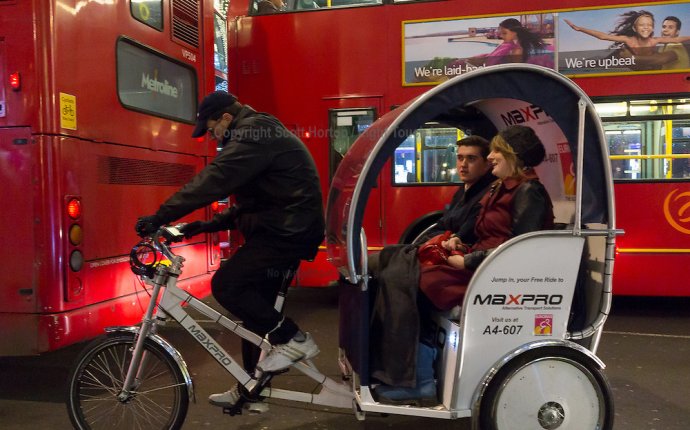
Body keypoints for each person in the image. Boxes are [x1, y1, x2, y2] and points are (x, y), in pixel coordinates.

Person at [134, 91, 325, 411]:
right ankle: (252, 392)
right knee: (253, 315)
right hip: (283, 229)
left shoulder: (253, 133)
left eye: (211, 130)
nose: (212, 137)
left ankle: (294, 340)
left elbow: (214, 180)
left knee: (226, 284)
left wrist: (161, 214)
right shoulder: (254, 133)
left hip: (287, 233)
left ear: (225, 117)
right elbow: (249, 206)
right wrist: (194, 227)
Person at [371, 125, 554, 404]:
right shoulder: (501, 186)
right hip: (482, 266)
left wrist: (467, 259)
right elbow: (485, 232)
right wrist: (458, 240)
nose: (491, 156)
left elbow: (519, 247)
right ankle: (406, 372)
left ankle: (418, 381)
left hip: (494, 274)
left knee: (415, 284)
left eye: (496, 151)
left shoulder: (529, 192)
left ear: (513, 156)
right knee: (404, 274)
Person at [368, 135, 495, 405]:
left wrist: (442, 241)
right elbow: (444, 225)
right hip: (451, 256)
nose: (463, 164)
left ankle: (419, 380)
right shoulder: (465, 191)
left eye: (471, 159)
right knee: (382, 266)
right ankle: (389, 367)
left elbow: (461, 233)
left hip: (465, 265)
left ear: (487, 164)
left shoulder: (487, 194)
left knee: (401, 281)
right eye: (460, 158)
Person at [565, 11, 690, 57]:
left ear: (652, 29)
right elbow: (603, 36)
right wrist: (579, 29)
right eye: (642, 25)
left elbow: (677, 39)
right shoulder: (628, 40)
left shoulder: (655, 40)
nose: (646, 28)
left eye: (649, 25)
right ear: (635, 29)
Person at [466, 18, 551, 67]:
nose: (501, 36)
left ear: (515, 33)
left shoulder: (516, 50)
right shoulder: (512, 46)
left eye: (504, 33)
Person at [625, 16, 690, 70]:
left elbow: (660, 59)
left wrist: (630, 57)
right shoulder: (662, 47)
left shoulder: (676, 45)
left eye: (670, 27)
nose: (665, 30)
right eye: (664, 27)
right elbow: (656, 65)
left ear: (677, 32)